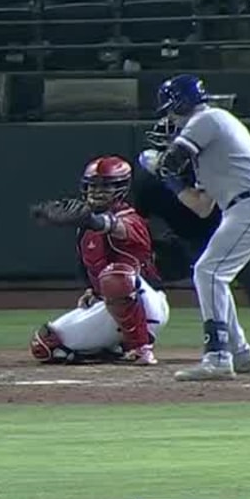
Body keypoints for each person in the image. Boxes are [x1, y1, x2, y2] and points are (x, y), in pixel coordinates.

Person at [142, 73, 250, 381]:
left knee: (208, 272)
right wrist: (170, 180)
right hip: (244, 207)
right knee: (211, 273)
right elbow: (201, 205)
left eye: (170, 110)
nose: (169, 119)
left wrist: (158, 166)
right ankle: (239, 352)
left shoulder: (208, 119)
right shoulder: (210, 150)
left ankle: (219, 356)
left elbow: (171, 161)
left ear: (180, 104)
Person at [27, 156, 168, 366]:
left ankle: (140, 348)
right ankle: (112, 348)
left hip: (146, 305)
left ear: (120, 189)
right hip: (112, 307)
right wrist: (92, 292)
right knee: (45, 345)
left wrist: (92, 221)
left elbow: (115, 227)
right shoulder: (84, 230)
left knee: (115, 275)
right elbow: (92, 269)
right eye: (93, 186)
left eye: (105, 186)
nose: (96, 192)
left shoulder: (131, 218)